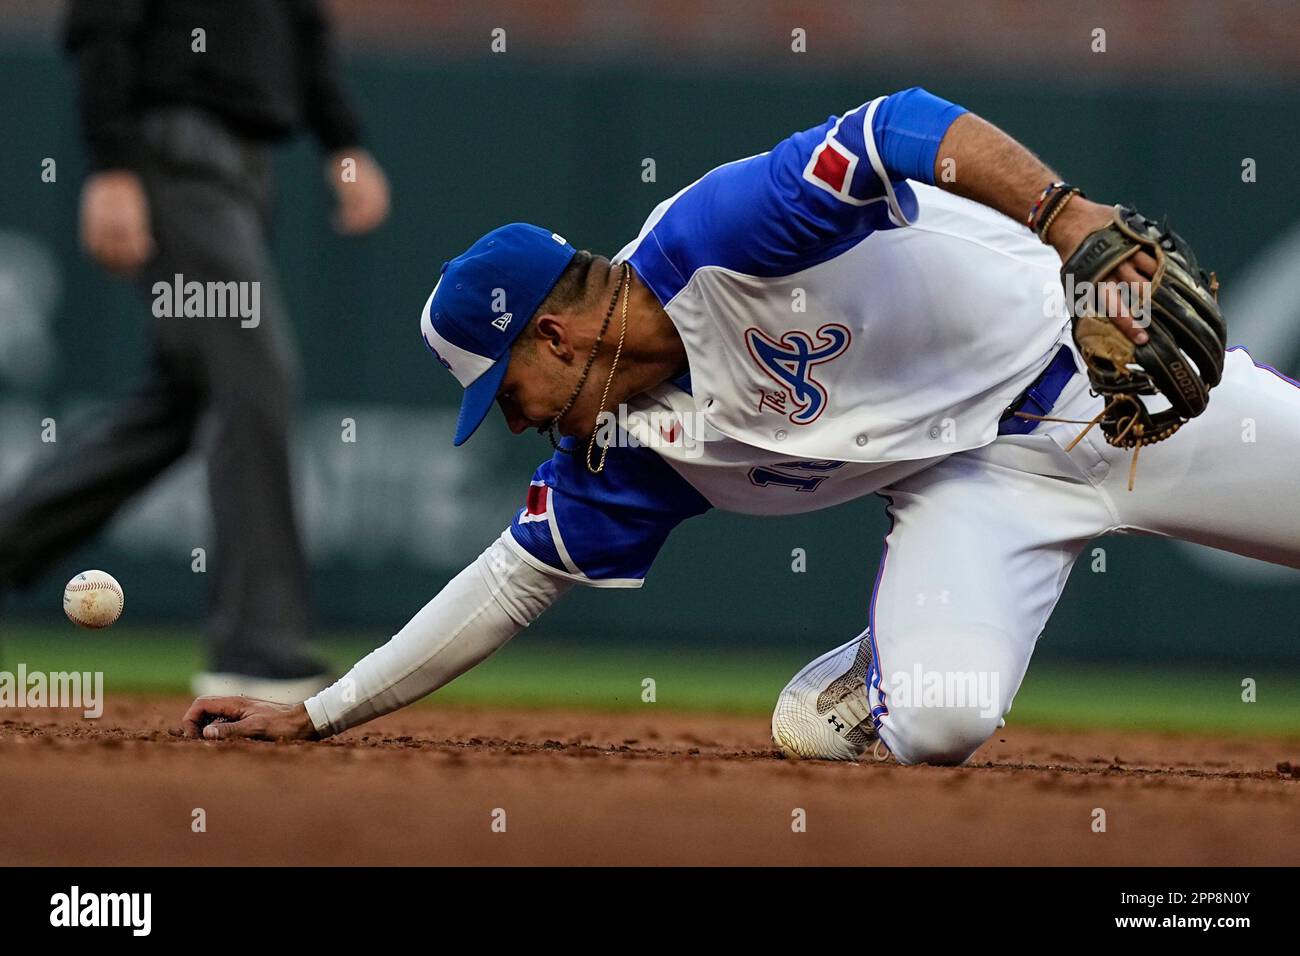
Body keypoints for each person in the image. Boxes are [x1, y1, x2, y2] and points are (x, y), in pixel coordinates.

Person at [183, 88, 1290, 764]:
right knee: (942, 724)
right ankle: (880, 666)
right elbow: (512, 579)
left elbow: (896, 123)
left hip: (1100, 379)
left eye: (508, 393)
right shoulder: (620, 446)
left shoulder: (723, 233)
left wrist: (1068, 218)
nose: (518, 425)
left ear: (555, 340)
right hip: (975, 489)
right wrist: (323, 712)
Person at [0, 0, 390, 703]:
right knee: (255, 380)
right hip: (172, 151)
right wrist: (111, 164)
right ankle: (256, 650)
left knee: (182, 399)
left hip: (245, 168)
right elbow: (101, 20)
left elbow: (300, 21)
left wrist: (342, 139)